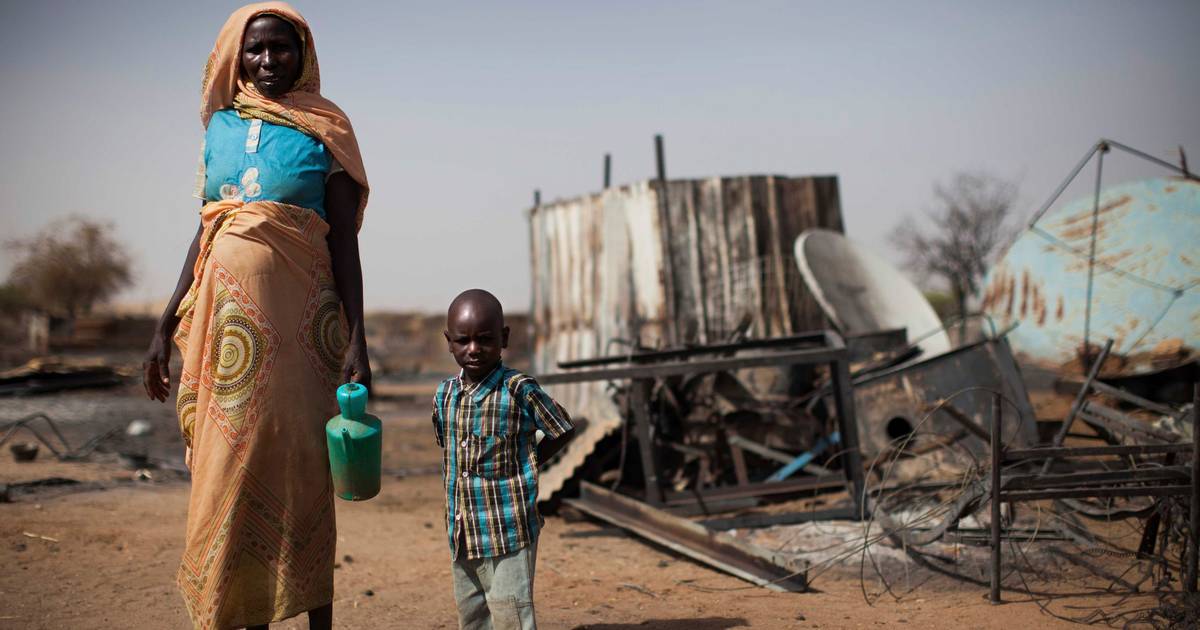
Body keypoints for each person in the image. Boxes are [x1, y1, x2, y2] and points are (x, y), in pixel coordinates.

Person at [140, 3, 370, 628]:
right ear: (235, 55)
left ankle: (317, 618)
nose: (269, 61)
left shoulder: (327, 129)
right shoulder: (217, 128)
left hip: (304, 334)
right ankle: (242, 613)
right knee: (225, 468)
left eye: (282, 48)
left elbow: (343, 243)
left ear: (304, 54)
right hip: (226, 331)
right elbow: (207, 229)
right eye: (255, 49)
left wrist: (359, 339)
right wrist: (163, 327)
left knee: (302, 470)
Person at [432, 289, 575, 630]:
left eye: (484, 339)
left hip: (509, 526)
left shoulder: (518, 389)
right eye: (463, 341)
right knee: (473, 611)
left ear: (504, 338)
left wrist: (531, 462)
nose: (474, 349)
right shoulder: (444, 394)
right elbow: (448, 447)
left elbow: (563, 428)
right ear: (449, 342)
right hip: (463, 528)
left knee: (510, 609)